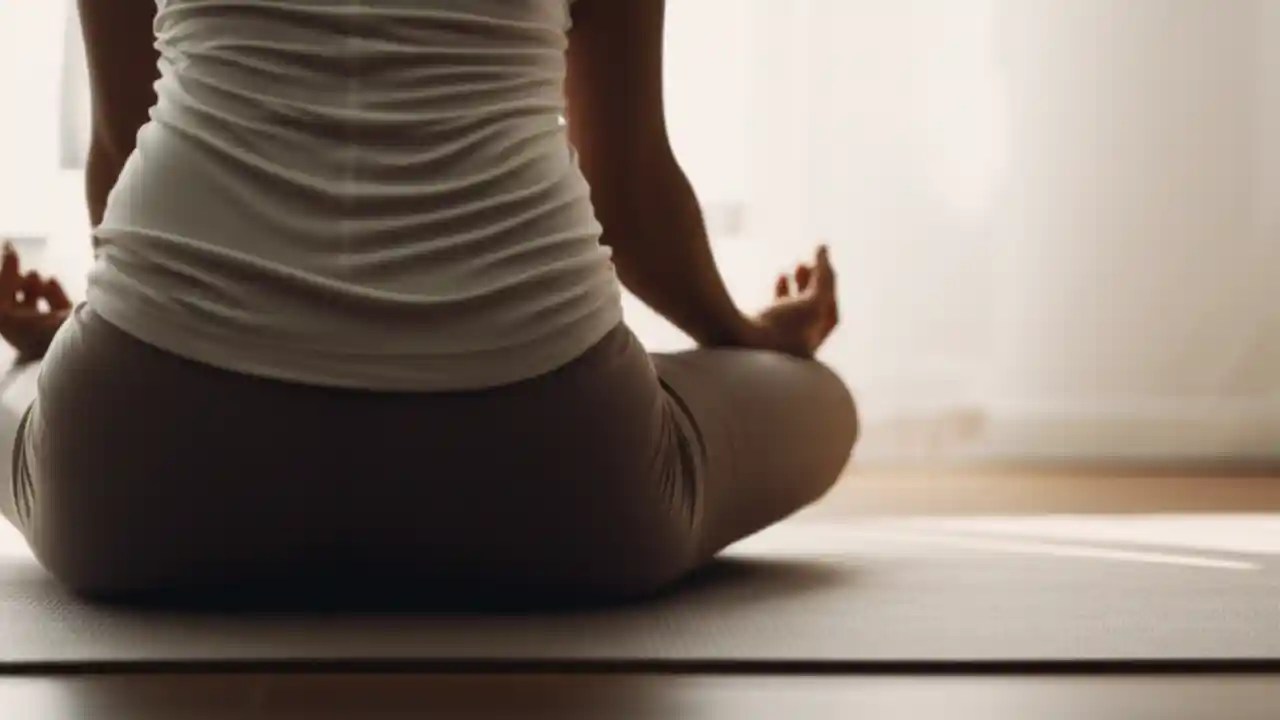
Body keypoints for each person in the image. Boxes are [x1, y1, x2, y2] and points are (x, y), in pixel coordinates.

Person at [0, 0, 857, 604]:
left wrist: (79, 334)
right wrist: (746, 337)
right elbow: (629, 202)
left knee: (21, 397)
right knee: (823, 402)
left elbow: (120, 147)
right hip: (556, 479)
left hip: (139, 471)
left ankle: (42, 362)